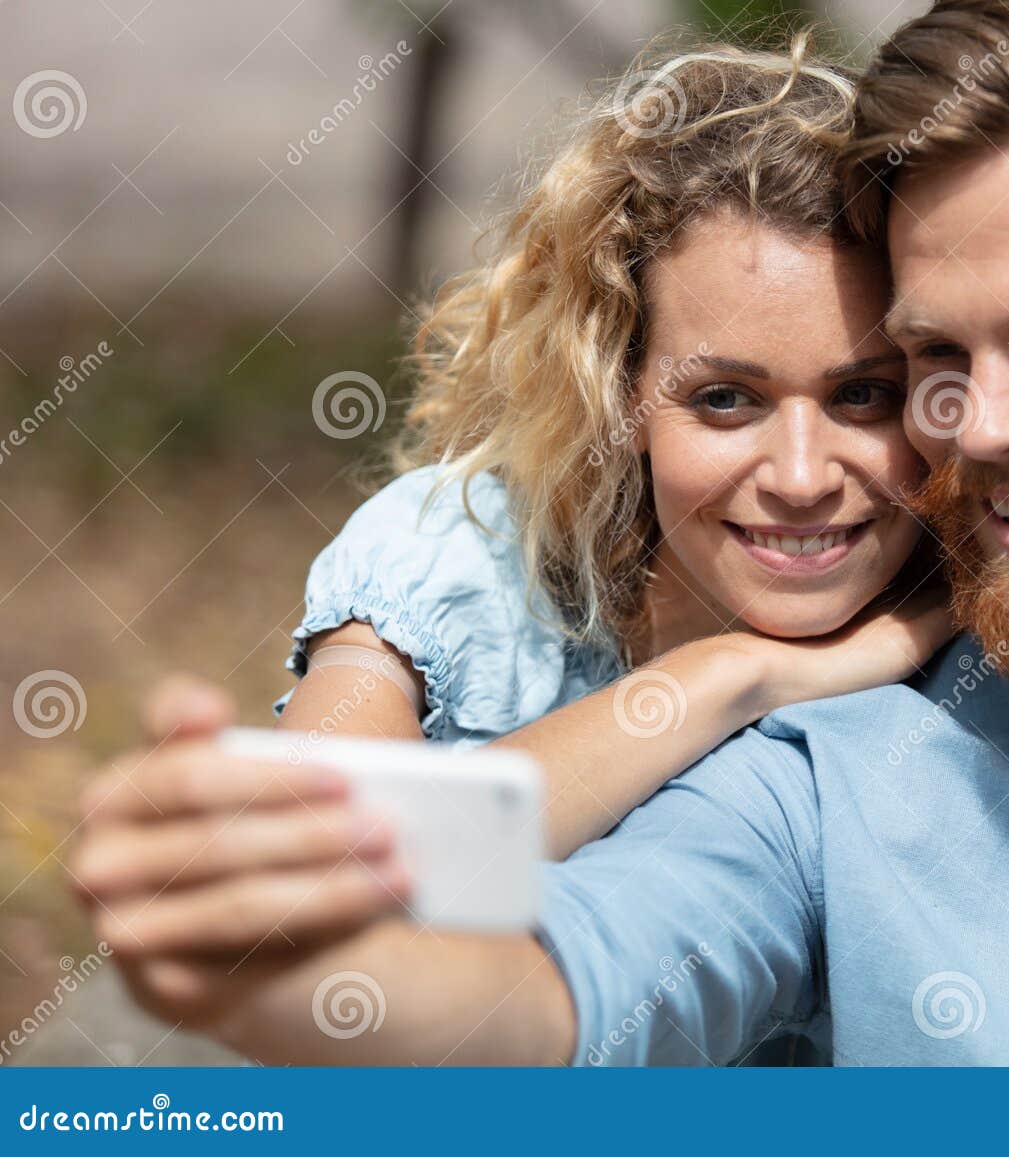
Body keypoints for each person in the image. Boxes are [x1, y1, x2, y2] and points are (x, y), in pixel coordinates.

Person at [82, 0, 1009, 1066]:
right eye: (939, 360)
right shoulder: (829, 753)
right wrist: (280, 970)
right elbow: (552, 992)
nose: (981, 425)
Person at [68, 36, 947, 1064]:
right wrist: (728, 675)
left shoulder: (991, 626)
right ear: (622, 394)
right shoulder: (459, 554)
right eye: (723, 399)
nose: (800, 475)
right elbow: (326, 890)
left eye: (863, 395)